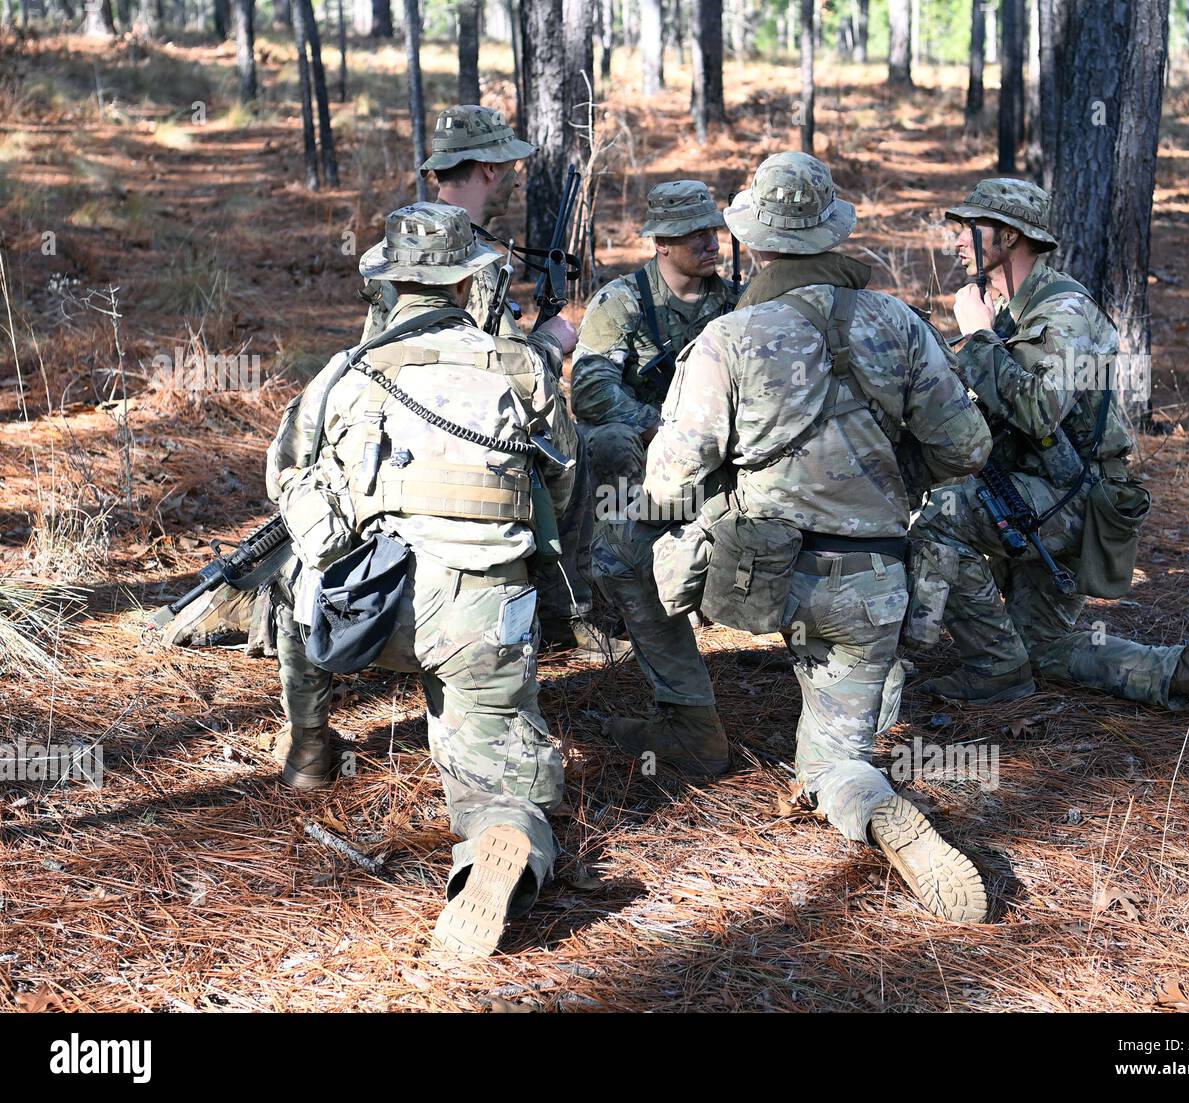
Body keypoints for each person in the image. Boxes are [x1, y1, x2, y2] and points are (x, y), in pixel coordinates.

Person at [643, 153, 994, 923]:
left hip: (759, 582)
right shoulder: (899, 323)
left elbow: (666, 483)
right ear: (831, 232)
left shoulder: (730, 338)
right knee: (837, 758)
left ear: (756, 243)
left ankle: (687, 726)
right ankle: (868, 794)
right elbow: (967, 448)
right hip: (874, 583)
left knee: (643, 559)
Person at [268, 203, 578, 959]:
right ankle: (498, 840)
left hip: (364, 613)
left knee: (289, 585)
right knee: (501, 774)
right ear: (471, 279)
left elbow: (285, 475)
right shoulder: (518, 366)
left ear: (388, 281)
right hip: (481, 611)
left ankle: (310, 745)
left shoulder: (343, 372)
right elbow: (563, 481)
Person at [911, 178, 1189, 720]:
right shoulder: (1009, 310)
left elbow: (1037, 409)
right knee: (1045, 649)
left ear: (1007, 236)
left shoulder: (1065, 311)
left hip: (1074, 502)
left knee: (938, 518)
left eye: (970, 228)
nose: (957, 239)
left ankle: (992, 667)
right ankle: (1188, 670)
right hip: (1037, 492)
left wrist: (977, 338)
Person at [363, 104, 620, 658]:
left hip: (393, 421)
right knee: (571, 453)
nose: (512, 180)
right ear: (485, 169)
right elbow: (496, 380)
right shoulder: (469, 259)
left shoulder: (406, 238)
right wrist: (551, 344)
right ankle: (566, 616)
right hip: (453, 433)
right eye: (507, 168)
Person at [571, 181, 739, 774]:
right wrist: (663, 427)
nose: (709, 243)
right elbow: (591, 392)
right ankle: (607, 589)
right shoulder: (623, 300)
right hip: (645, 448)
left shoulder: (736, 302)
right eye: (694, 234)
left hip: (715, 452)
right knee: (608, 442)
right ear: (662, 243)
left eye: (713, 230)